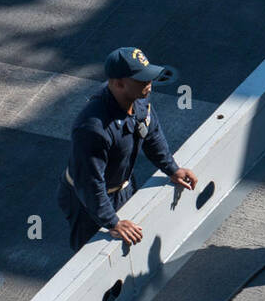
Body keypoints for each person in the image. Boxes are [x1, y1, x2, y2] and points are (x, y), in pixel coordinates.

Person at [56, 46, 198, 254]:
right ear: (118, 83)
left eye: (149, 77)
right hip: (88, 202)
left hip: (123, 187)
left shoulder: (139, 98)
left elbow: (151, 133)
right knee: (91, 256)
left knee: (129, 244)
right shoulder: (93, 128)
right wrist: (112, 221)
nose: (149, 84)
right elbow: (90, 183)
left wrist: (172, 169)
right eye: (142, 79)